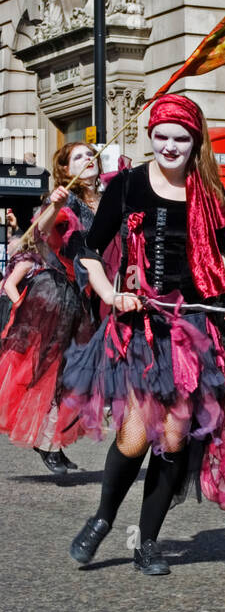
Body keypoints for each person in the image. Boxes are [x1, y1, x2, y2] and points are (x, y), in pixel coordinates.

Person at [58, 95, 225, 576]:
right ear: (150, 137)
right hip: (139, 326)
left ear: (196, 142)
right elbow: (89, 248)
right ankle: (104, 518)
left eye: (181, 138)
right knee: (133, 436)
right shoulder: (125, 186)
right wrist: (111, 293)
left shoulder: (208, 193)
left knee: (172, 439)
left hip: (192, 327)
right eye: (162, 136)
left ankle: (147, 542)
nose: (170, 146)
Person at [0, 142, 103, 477]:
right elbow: (43, 231)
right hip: (55, 294)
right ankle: (47, 442)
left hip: (85, 296)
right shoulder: (64, 201)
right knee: (49, 371)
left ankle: (51, 441)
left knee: (69, 375)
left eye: (90, 154)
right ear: (65, 170)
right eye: (78, 157)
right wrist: (52, 205)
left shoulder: (101, 200)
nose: (88, 159)